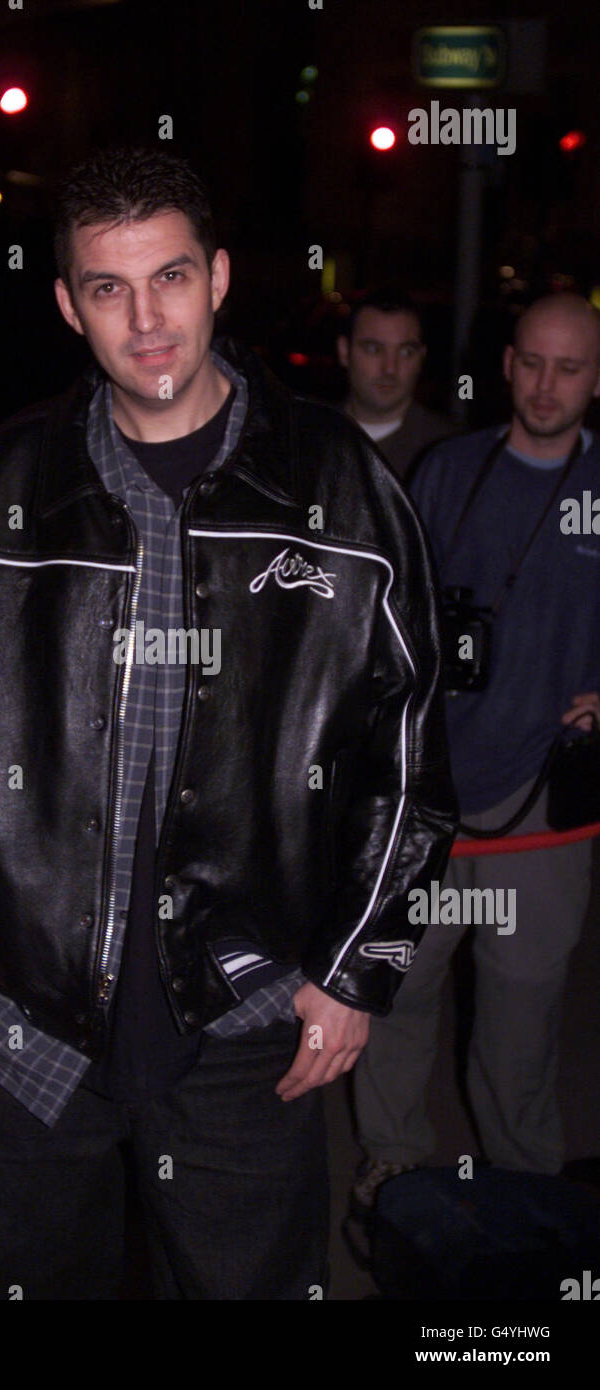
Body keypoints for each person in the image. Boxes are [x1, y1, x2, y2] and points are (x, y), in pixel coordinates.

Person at [0, 146, 458, 1300]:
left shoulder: (337, 486)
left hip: (245, 1014)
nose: (147, 321)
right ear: (67, 303)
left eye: (170, 277)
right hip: (23, 1015)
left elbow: (407, 749)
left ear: (219, 277)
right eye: (110, 289)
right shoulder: (6, 480)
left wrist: (354, 966)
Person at [351, 292, 600, 1230]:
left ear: (597, 379)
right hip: (433, 796)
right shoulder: (448, 470)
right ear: (506, 365)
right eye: (532, 363)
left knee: (522, 1022)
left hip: (545, 811)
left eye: (569, 368)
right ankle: (392, 1172)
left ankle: (528, 1191)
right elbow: (384, 613)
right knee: (399, 1001)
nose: (546, 385)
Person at [336, 287, 455, 483]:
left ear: (421, 358)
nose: (390, 368)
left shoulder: (449, 452)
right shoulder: (311, 441)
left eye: (406, 352)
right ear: (344, 351)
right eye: (374, 349)